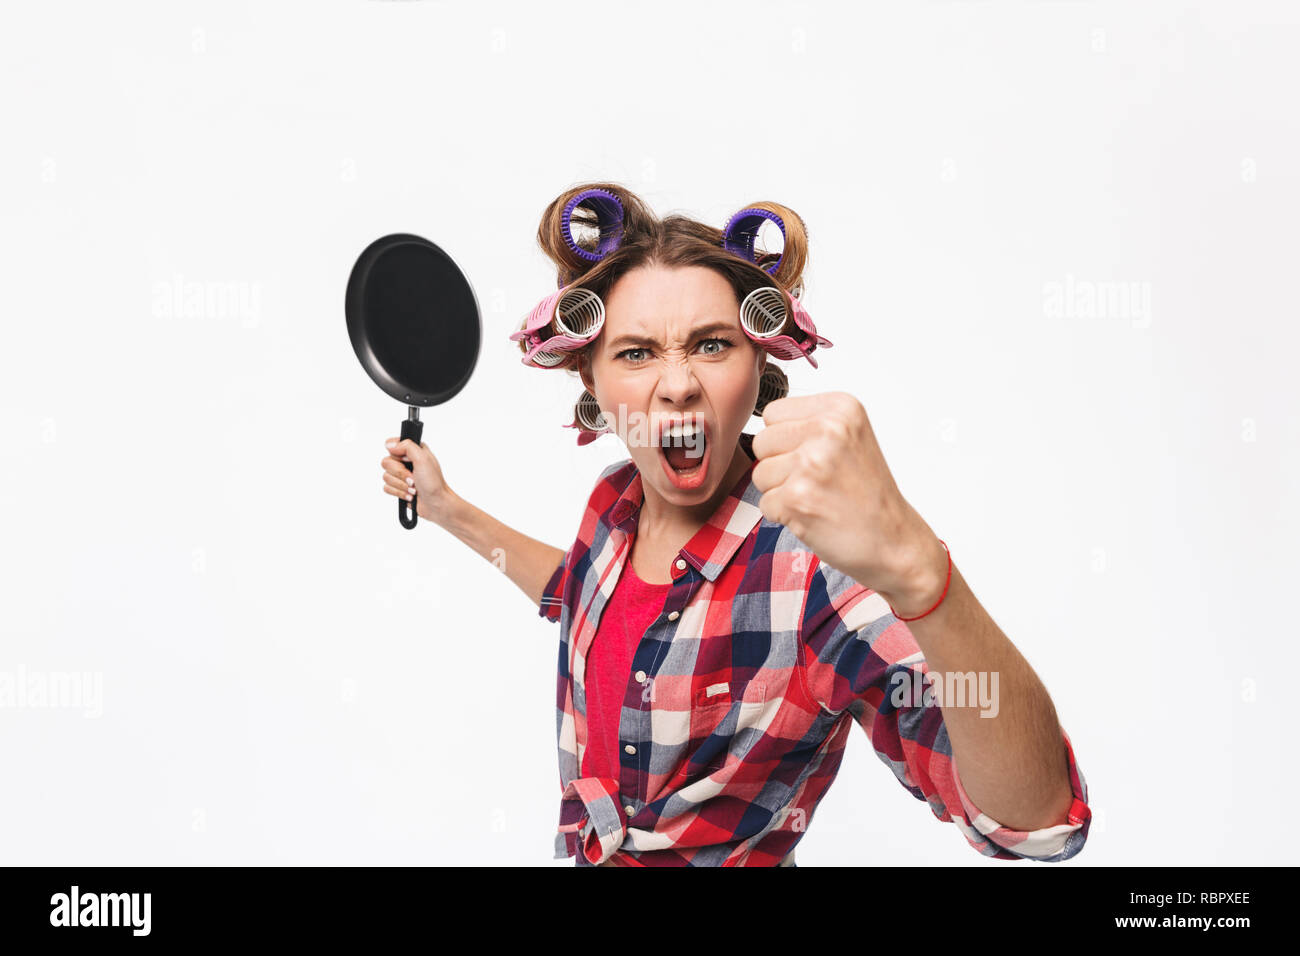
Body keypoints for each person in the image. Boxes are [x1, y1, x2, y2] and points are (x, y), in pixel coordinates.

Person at [379, 183, 1091, 867]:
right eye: (636, 352)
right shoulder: (614, 499)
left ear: (759, 366)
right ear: (591, 378)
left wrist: (921, 574)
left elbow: (1036, 823)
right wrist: (447, 507)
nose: (680, 382)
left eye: (712, 344)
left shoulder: (815, 575)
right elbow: (581, 593)